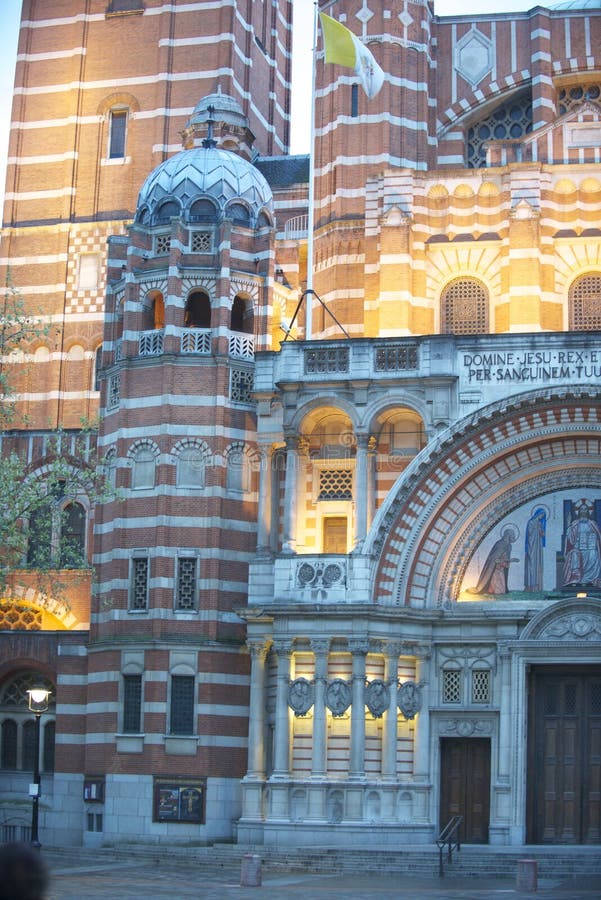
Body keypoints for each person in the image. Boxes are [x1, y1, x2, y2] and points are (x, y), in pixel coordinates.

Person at [562, 503, 601, 587]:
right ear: (579, 511)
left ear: (588, 511)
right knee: (574, 555)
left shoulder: (592, 523)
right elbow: (570, 539)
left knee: (594, 556)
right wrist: (569, 525)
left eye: (585, 509)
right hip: (579, 548)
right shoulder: (575, 523)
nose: (584, 511)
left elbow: (598, 536)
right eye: (582, 509)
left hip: (591, 548)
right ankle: (576, 580)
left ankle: (588, 580)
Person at [472, 526, 518, 595]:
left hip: (502, 568)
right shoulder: (500, 544)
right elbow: (495, 559)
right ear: (508, 535)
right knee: (498, 590)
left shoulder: (509, 546)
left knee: (502, 590)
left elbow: (503, 559)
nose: (514, 537)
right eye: (512, 535)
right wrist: (511, 560)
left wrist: (509, 561)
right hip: (495, 569)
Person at [524, 507, 546, 592]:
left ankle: (537, 586)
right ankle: (530, 586)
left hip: (538, 548)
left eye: (543, 516)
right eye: (542, 515)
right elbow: (530, 534)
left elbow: (542, 535)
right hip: (532, 547)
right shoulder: (531, 522)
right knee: (532, 565)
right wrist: (537, 530)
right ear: (538, 514)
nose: (542, 517)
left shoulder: (540, 523)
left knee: (538, 565)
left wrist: (541, 532)